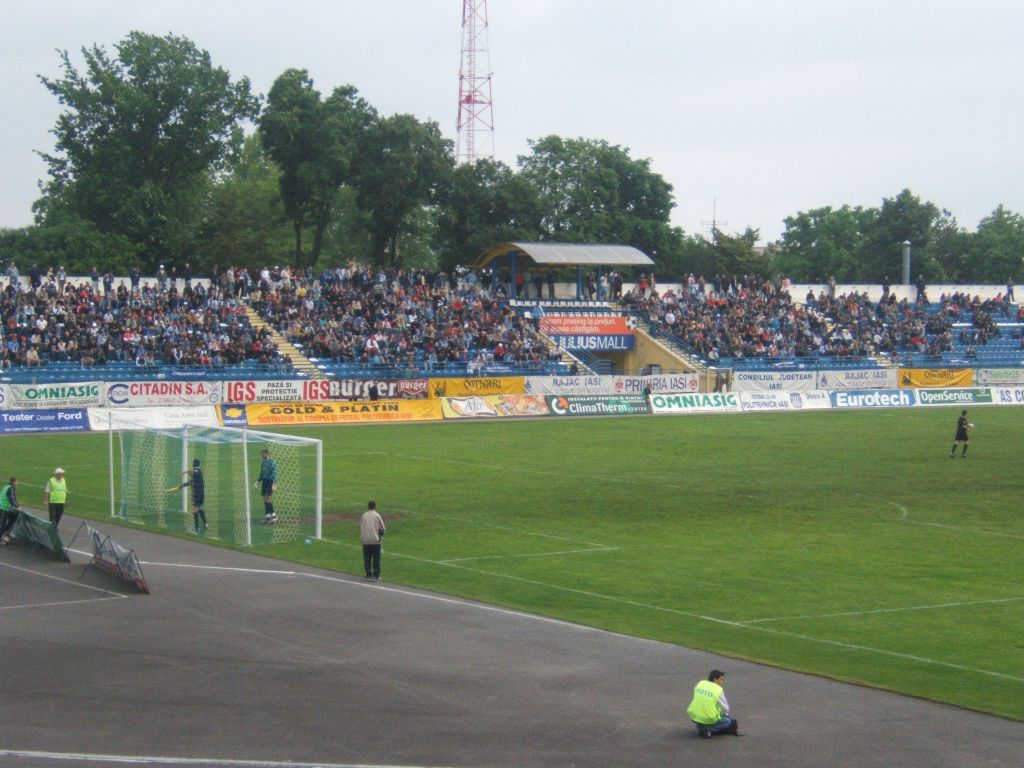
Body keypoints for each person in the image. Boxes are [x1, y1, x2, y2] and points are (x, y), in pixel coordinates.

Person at [687, 669, 739, 738]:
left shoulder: (701, 683)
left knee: (707, 714)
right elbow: (726, 708)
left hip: (693, 715)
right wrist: (725, 715)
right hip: (708, 718)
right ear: (715, 679)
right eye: (721, 679)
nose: (723, 682)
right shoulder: (718, 689)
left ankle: (702, 725)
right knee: (727, 722)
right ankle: (708, 729)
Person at [360, 500, 386, 580]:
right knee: (376, 559)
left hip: (365, 540)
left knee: (367, 558)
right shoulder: (377, 515)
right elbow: (383, 528)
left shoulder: (363, 515)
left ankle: (368, 574)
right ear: (375, 506)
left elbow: (360, 526)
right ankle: (376, 575)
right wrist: (380, 535)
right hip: (375, 541)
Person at [180, 459, 207, 534]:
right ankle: (205, 524)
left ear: (193, 464)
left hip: (197, 494)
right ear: (199, 464)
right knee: (199, 508)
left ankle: (196, 528)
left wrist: (182, 485)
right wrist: (186, 472)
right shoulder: (199, 471)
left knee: (194, 510)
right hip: (201, 493)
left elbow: (192, 480)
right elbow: (193, 474)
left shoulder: (196, 471)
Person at [255, 448, 278, 524]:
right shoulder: (263, 463)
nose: (262, 455)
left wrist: (274, 484)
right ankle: (267, 517)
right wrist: (257, 481)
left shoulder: (272, 462)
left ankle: (274, 517)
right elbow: (261, 474)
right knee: (265, 500)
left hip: (270, 481)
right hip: (264, 482)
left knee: (268, 499)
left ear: (267, 454)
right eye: (262, 454)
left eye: (263, 454)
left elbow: (275, 473)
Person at [0, 477, 20, 545]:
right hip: (3, 508)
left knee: (14, 517)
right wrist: (17, 506)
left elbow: (13, 498)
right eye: (17, 482)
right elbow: (12, 498)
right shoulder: (11, 488)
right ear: (13, 482)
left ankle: (4, 533)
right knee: (2, 524)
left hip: (5, 508)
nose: (17, 484)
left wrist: (17, 505)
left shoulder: (6, 486)